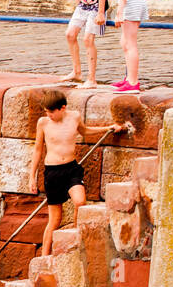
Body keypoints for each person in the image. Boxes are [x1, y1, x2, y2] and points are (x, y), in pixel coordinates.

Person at [32, 89, 126, 253]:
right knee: (55, 219)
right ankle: (44, 256)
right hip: (52, 172)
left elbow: (85, 131)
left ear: (62, 108)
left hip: (71, 168)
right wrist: (31, 177)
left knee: (80, 202)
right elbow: (38, 149)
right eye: (46, 112)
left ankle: (74, 239)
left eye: (51, 112)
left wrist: (108, 129)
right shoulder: (43, 123)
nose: (49, 115)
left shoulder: (74, 117)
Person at [47, 0, 108, 88]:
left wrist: (100, 13)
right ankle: (76, 71)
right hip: (83, 4)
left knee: (88, 39)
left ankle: (91, 79)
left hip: (97, 4)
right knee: (70, 34)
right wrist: (77, 7)